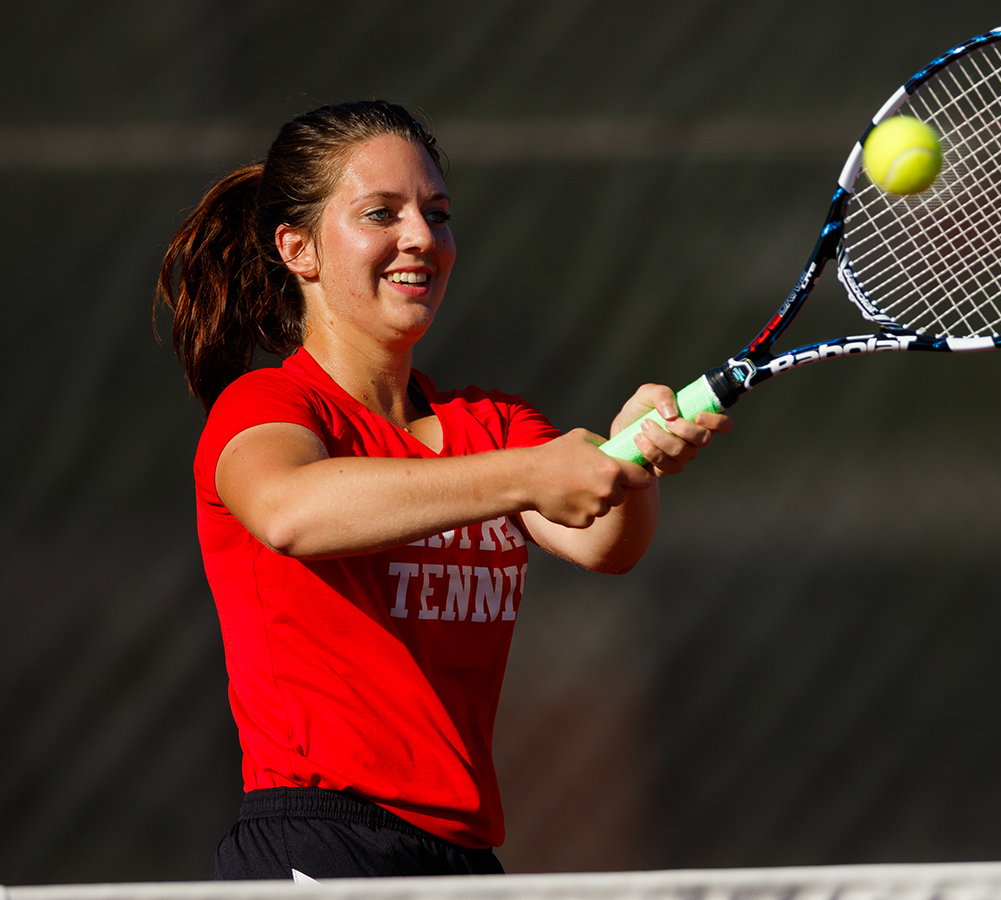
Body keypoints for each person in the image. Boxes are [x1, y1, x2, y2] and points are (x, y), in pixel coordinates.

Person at [154, 100, 730, 880]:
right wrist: (529, 474)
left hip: (460, 857)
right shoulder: (267, 408)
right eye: (380, 213)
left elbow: (604, 543)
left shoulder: (491, 425)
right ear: (300, 249)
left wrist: (634, 461)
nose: (421, 237)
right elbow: (292, 511)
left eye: (437, 212)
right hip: (318, 843)